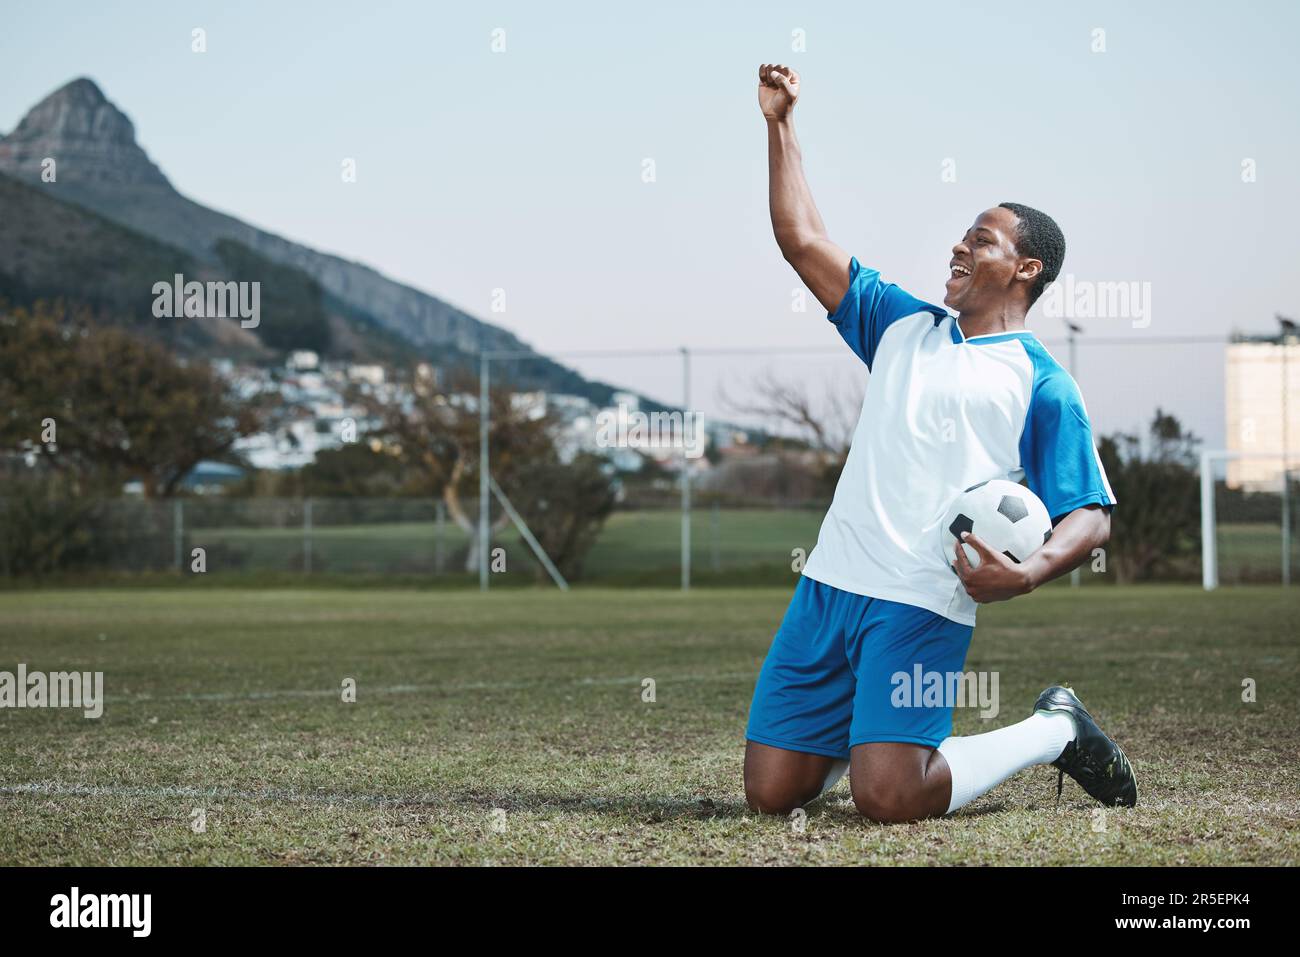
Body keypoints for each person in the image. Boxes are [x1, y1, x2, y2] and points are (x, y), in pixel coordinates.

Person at [744, 64, 1136, 822]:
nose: (958, 249)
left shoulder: (1042, 382)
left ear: (1026, 268)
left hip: (922, 599)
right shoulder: (900, 323)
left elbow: (1091, 514)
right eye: (959, 237)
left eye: (979, 241)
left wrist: (1025, 576)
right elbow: (801, 238)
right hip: (829, 586)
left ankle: (1053, 728)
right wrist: (780, 123)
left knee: (889, 799)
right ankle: (864, 734)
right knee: (771, 794)